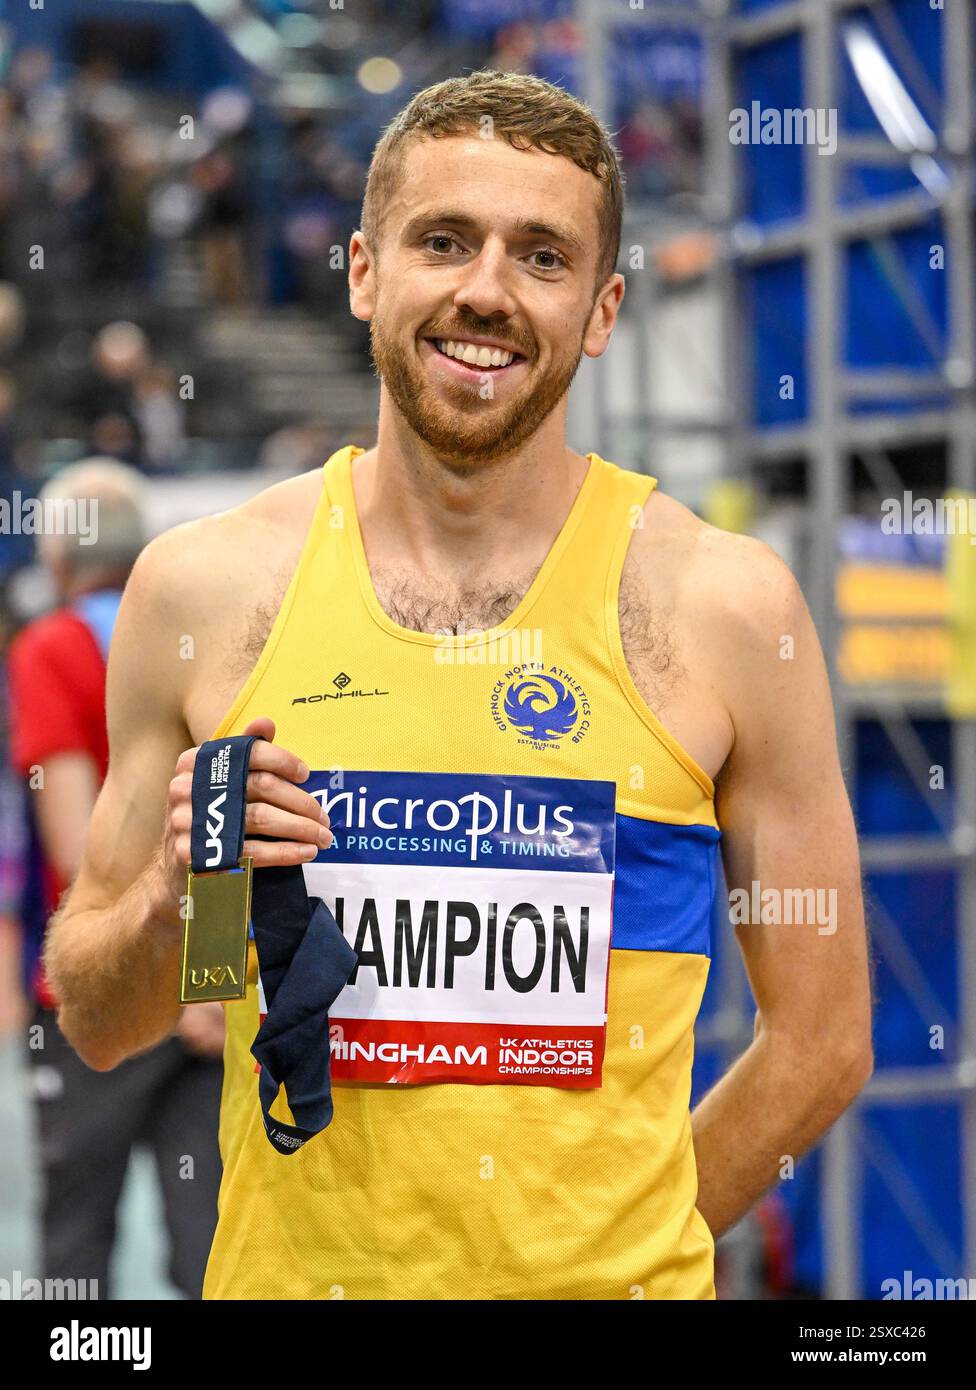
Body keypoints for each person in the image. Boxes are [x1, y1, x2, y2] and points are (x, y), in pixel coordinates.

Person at [46, 72, 872, 1301]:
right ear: (364, 272)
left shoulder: (725, 608)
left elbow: (823, 1040)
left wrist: (626, 1243)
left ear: (601, 312)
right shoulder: (204, 594)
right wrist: (179, 892)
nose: (486, 289)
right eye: (444, 241)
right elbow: (103, 1017)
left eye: (542, 256)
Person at [7, 459, 224, 1299]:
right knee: (207, 1250)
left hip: (97, 996)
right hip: (204, 998)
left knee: (75, 1250)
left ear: (57, 562)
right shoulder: (196, 642)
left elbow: (76, 848)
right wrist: (209, 989)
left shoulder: (52, 647)